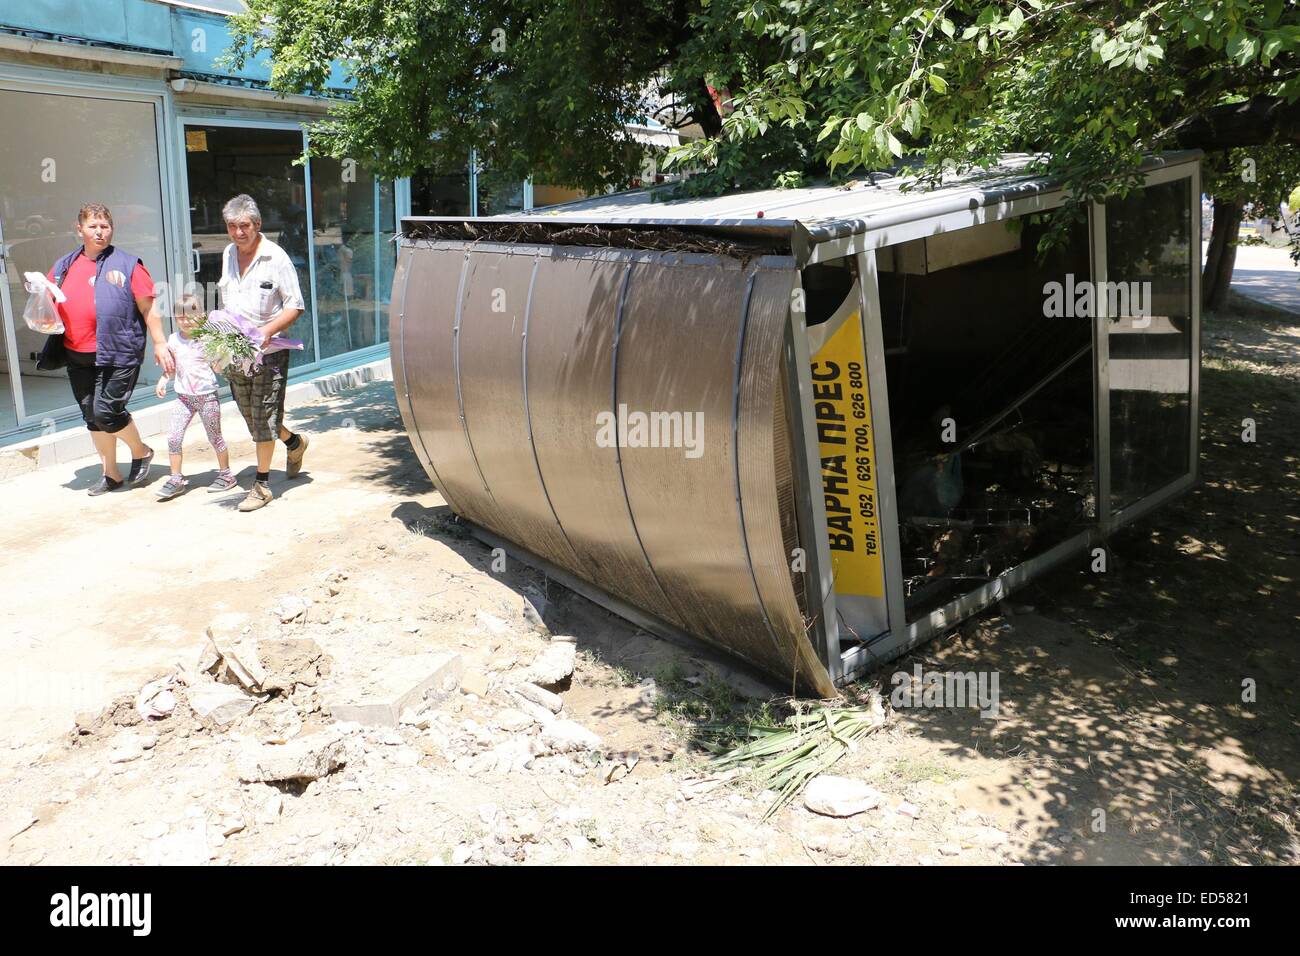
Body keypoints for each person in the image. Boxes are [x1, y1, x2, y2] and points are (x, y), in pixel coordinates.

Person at [47, 203, 173, 496]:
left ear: (111, 229)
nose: (99, 232)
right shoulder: (64, 265)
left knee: (106, 411)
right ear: (79, 230)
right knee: (92, 416)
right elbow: (49, 299)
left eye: (104, 226)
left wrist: (159, 341)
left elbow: (148, 306)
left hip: (118, 352)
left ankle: (141, 451)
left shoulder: (129, 264)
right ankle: (111, 474)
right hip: (77, 352)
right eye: (93, 226)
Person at [216, 194, 309, 512]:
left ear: (257, 225)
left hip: (269, 353)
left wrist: (267, 331)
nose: (238, 232)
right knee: (252, 417)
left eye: (244, 225)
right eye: (232, 226)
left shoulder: (276, 258)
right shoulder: (229, 253)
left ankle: (262, 485)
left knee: (264, 416)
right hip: (235, 352)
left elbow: (295, 304)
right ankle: (294, 442)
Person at [153, 295, 236, 501]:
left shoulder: (208, 339)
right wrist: (163, 380)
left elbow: (218, 366)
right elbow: (172, 367)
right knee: (173, 436)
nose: (186, 321)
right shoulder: (173, 340)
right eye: (180, 317)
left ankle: (226, 474)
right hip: (184, 398)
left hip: (207, 397)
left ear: (201, 316)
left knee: (215, 437)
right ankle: (176, 479)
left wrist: (226, 356)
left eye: (191, 316)